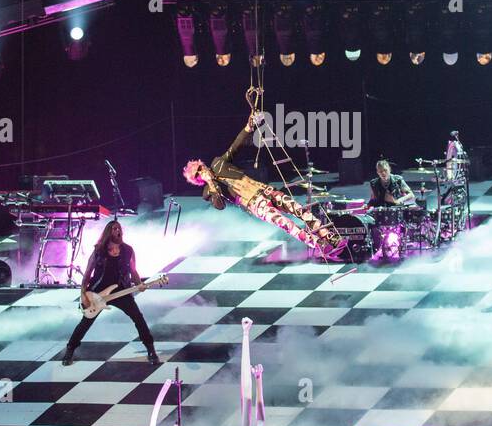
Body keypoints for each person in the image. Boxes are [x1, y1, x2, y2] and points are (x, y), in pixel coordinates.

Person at [184, 92, 341, 256]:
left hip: (264, 190)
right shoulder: (208, 192)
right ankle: (319, 244)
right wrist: (211, 182)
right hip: (254, 204)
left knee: (298, 209)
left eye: (200, 168)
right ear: (197, 180)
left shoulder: (218, 163)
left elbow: (235, 146)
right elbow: (220, 205)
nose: (202, 171)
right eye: (198, 174)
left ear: (202, 164)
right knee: (286, 224)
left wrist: (248, 127)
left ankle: (329, 236)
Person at [61, 221, 160, 366]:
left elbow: (133, 270)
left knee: (138, 318)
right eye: (114, 228)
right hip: (98, 292)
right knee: (86, 321)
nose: (118, 230)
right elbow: (88, 273)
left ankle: (151, 350)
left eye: (119, 228)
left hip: (121, 291)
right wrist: (83, 293)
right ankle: (70, 349)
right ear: (108, 231)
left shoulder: (128, 250)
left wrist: (139, 284)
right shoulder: (99, 250)